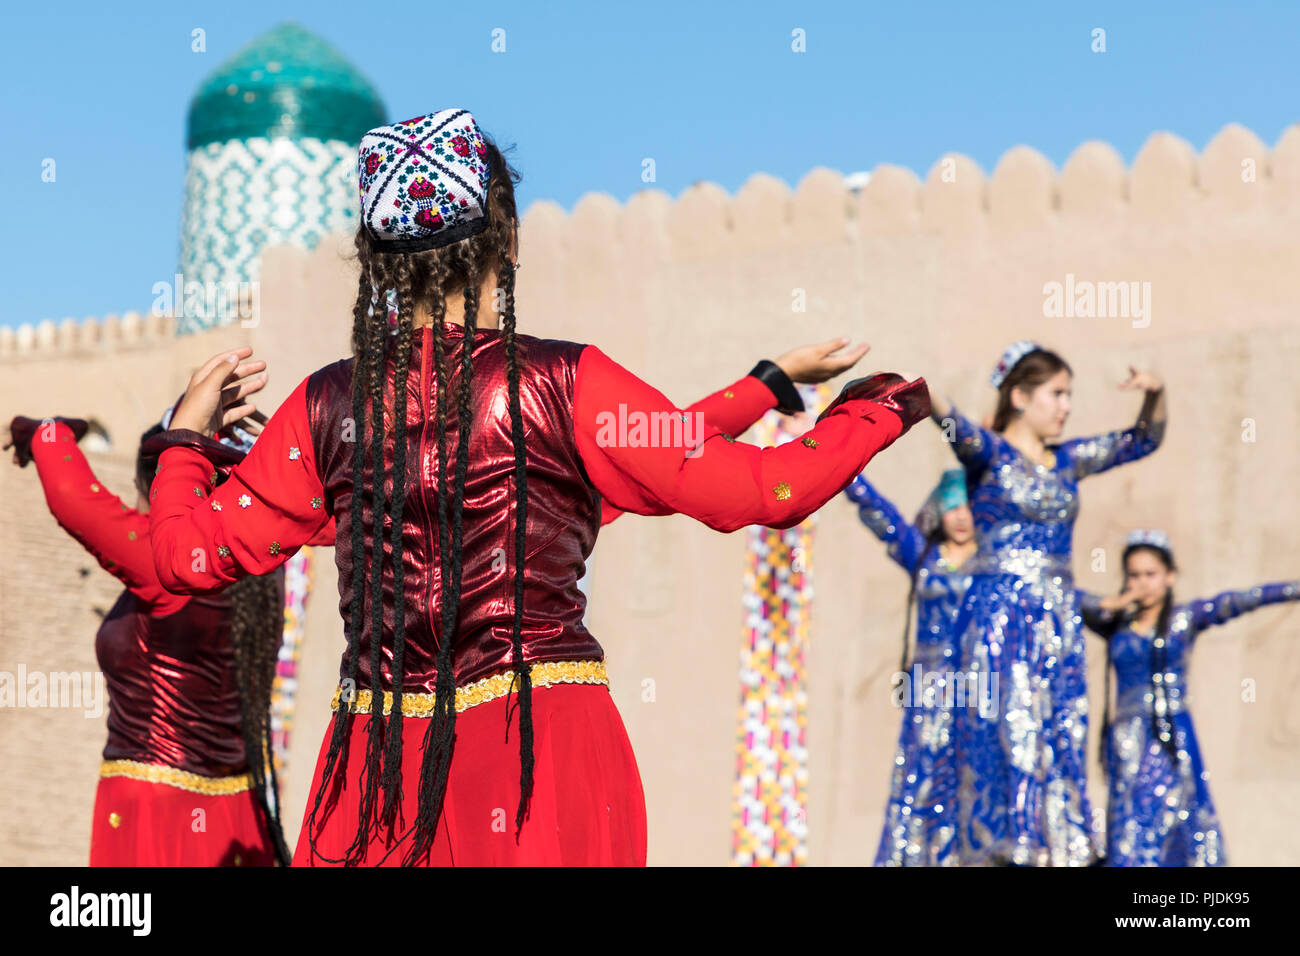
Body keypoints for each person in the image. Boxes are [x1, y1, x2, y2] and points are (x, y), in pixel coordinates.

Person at [141, 108, 931, 866]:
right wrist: (884, 407)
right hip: (538, 746)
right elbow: (760, 488)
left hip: (379, 770)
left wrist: (186, 439)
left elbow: (183, 557)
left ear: (375, 258)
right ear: (507, 236)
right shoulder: (565, 381)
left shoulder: (323, 406)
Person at [4, 409, 291, 865]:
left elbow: (70, 494)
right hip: (238, 809)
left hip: (157, 810)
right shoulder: (266, 568)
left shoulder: (171, 564)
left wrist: (50, 429)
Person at [927, 340, 1166, 865]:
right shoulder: (990, 455)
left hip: (1055, 625)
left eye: (1069, 395)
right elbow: (952, 426)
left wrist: (1155, 394)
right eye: (1056, 394)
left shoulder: (1069, 461)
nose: (1066, 406)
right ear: (1019, 396)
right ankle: (998, 849)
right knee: (1005, 731)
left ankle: (1055, 848)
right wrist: (924, 394)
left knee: (1059, 732)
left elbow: (1143, 440)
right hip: (997, 620)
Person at [1079, 530, 1299, 866]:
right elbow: (1060, 597)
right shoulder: (1116, 624)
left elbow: (1241, 599)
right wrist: (1108, 605)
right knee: (1130, 824)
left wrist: (1291, 589)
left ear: (1170, 576)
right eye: (1134, 575)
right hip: (1126, 743)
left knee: (1173, 817)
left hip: (1171, 739)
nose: (1142, 584)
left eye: (1151, 574)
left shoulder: (1183, 620)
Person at [845, 468, 975, 865]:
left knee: (971, 779)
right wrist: (844, 472)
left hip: (979, 691)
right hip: (929, 692)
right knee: (920, 778)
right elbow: (884, 518)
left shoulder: (994, 563)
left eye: (968, 506)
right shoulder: (924, 555)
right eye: (952, 507)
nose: (961, 516)